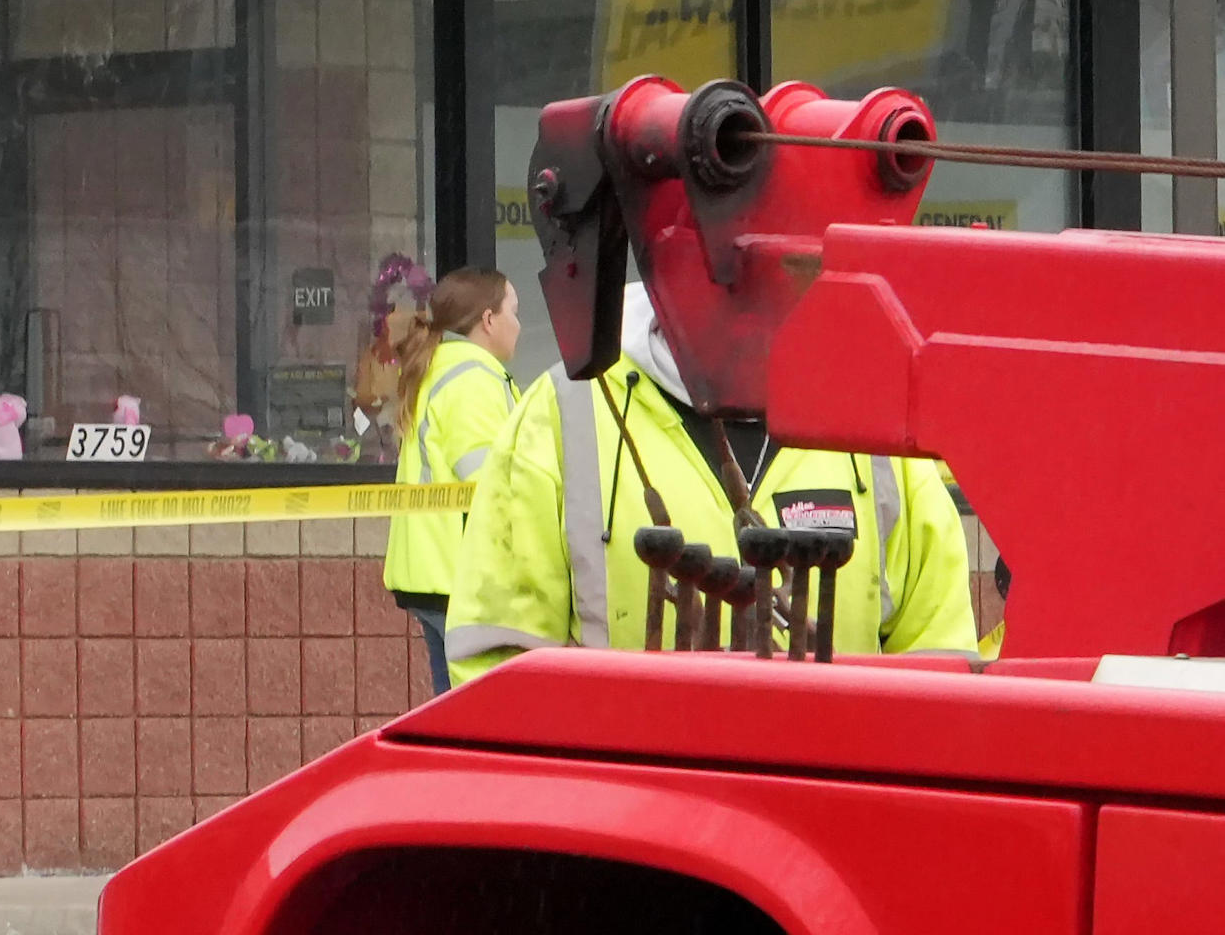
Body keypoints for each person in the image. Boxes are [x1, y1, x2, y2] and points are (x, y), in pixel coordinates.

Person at [448, 283, 977, 672]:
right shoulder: (566, 407)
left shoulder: (874, 410)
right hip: (634, 814)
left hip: (828, 816)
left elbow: (940, 664)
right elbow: (496, 668)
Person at [356, 267, 521, 692]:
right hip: (463, 578)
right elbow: (491, 489)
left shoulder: (440, 370)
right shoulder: (473, 380)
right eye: (513, 313)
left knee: (455, 717)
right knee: (476, 726)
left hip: (435, 574)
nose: (518, 325)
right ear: (488, 320)